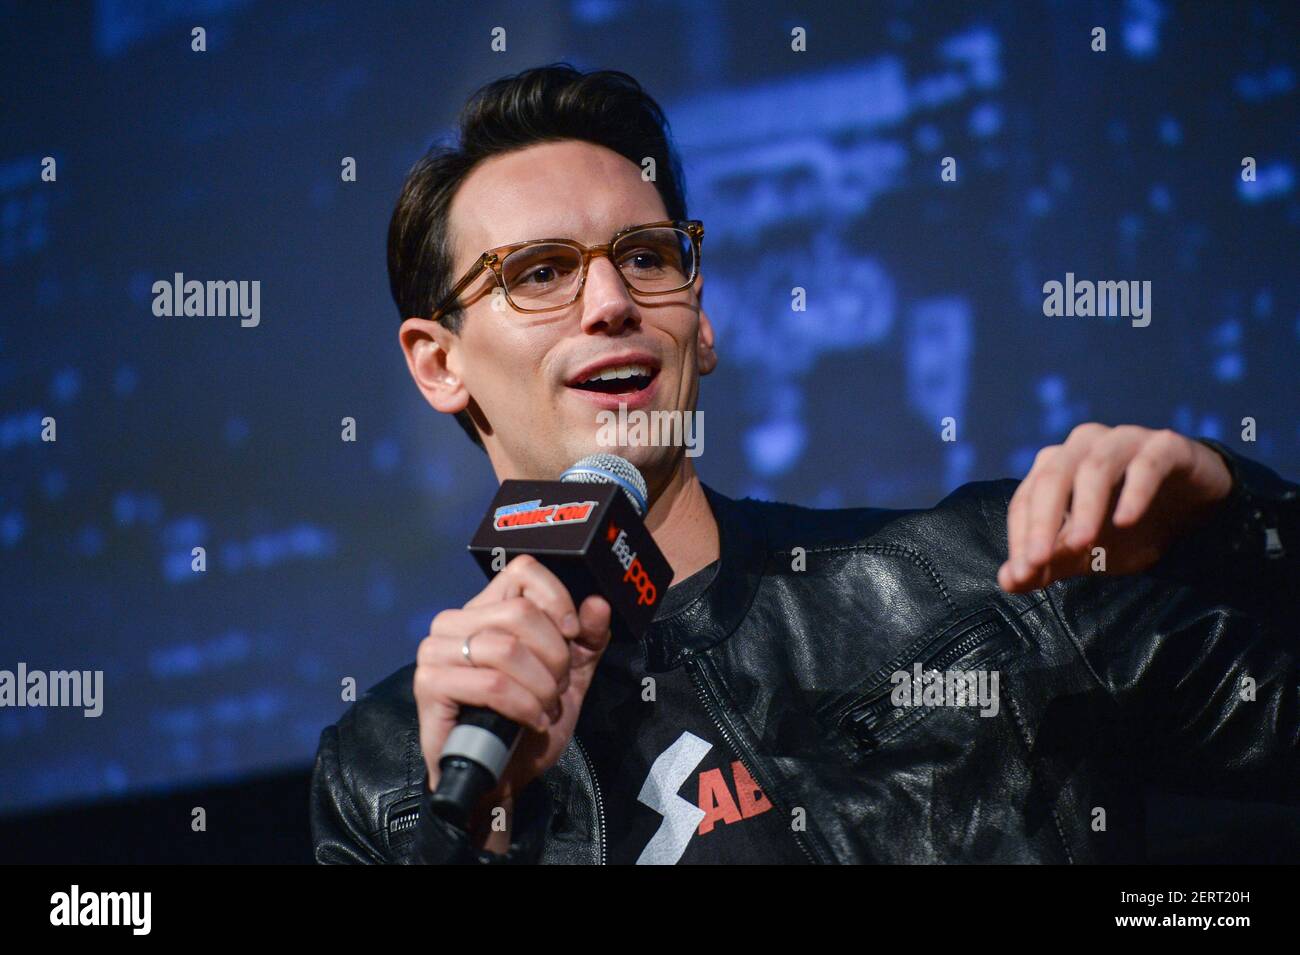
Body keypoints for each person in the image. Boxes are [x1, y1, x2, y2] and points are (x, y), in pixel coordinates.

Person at [310, 63, 1298, 864]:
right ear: (438, 364)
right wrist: (474, 837)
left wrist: (1233, 518)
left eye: (648, 257)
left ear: (701, 327)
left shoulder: (995, 572)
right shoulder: (387, 764)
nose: (610, 299)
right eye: (539, 273)